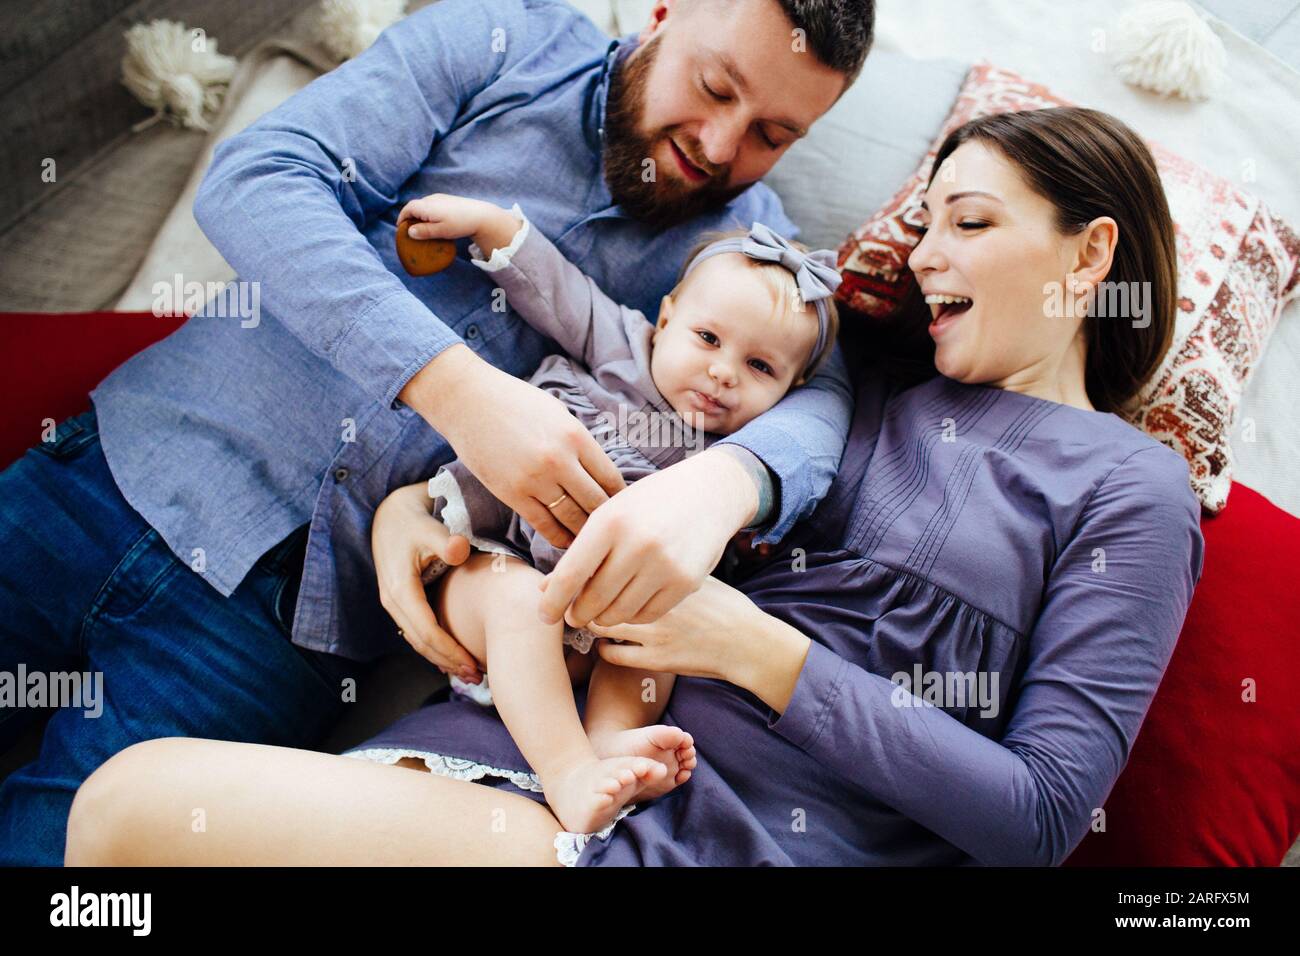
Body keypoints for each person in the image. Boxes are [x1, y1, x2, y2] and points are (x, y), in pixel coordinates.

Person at [68, 106, 1204, 867]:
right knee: (118, 828)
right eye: (923, 226)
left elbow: (1042, 813)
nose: (923, 255)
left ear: (1088, 255)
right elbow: (625, 382)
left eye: (970, 223)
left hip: (720, 835)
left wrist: (749, 643)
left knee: (128, 809)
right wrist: (424, 509)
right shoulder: (838, 394)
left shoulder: (1135, 491)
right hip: (511, 759)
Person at [0, 0, 873, 864]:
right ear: (663, 12)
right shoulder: (501, 42)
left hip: (270, 632)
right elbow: (259, 177)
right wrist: (455, 389)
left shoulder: (747, 264)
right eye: (715, 86)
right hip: (105, 475)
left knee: (66, 867)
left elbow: (825, 406)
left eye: (772, 134)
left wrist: (720, 489)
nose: (721, 148)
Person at [384, 192, 842, 832]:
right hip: (499, 558)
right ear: (667, 315)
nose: (721, 373)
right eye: (708, 338)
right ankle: (567, 769)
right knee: (518, 601)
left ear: (789, 392)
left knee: (665, 632)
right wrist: (492, 228)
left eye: (759, 365)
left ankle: (606, 741)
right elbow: (557, 289)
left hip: (600, 625)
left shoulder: (734, 462)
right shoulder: (623, 344)